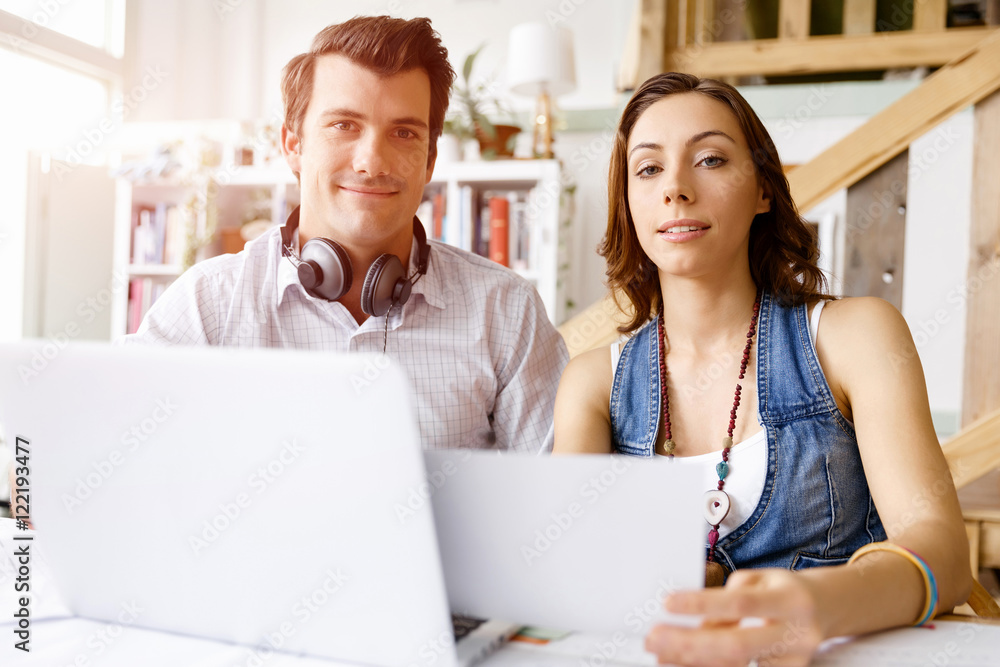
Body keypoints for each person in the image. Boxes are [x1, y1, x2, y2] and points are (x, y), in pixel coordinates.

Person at [553, 72, 971, 665]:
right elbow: (566, 575)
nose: (675, 188)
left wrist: (821, 604)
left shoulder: (856, 337)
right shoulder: (591, 385)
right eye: (647, 169)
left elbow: (947, 557)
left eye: (710, 159)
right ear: (628, 202)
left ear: (762, 190)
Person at [120, 16, 568, 452]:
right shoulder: (208, 304)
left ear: (430, 159)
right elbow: (107, 451)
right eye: (343, 125)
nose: (371, 162)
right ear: (293, 145)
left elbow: (554, 506)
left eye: (404, 132)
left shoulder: (507, 312)